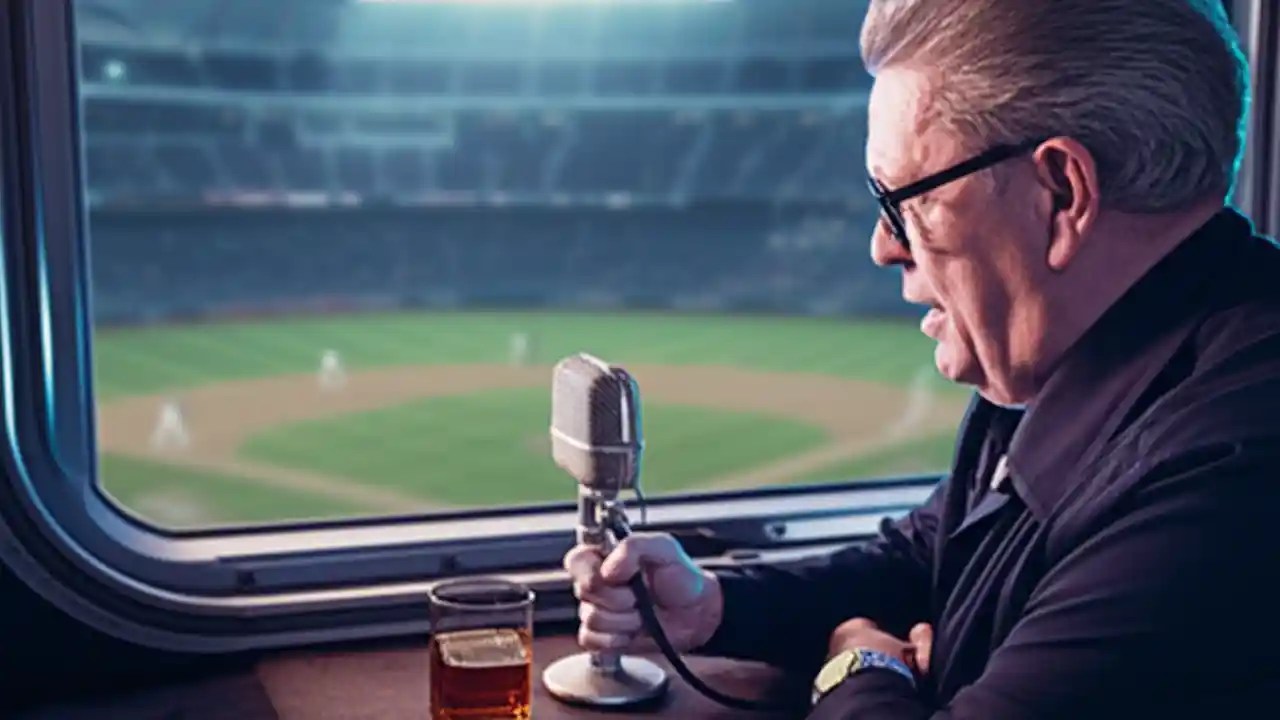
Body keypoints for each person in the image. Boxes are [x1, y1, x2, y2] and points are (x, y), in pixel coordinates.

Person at [564, 1, 1280, 717]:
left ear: (1062, 192)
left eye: (904, 198)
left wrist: (858, 663)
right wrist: (715, 609)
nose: (885, 246)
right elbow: (924, 563)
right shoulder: (1073, 363)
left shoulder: (1229, 476)